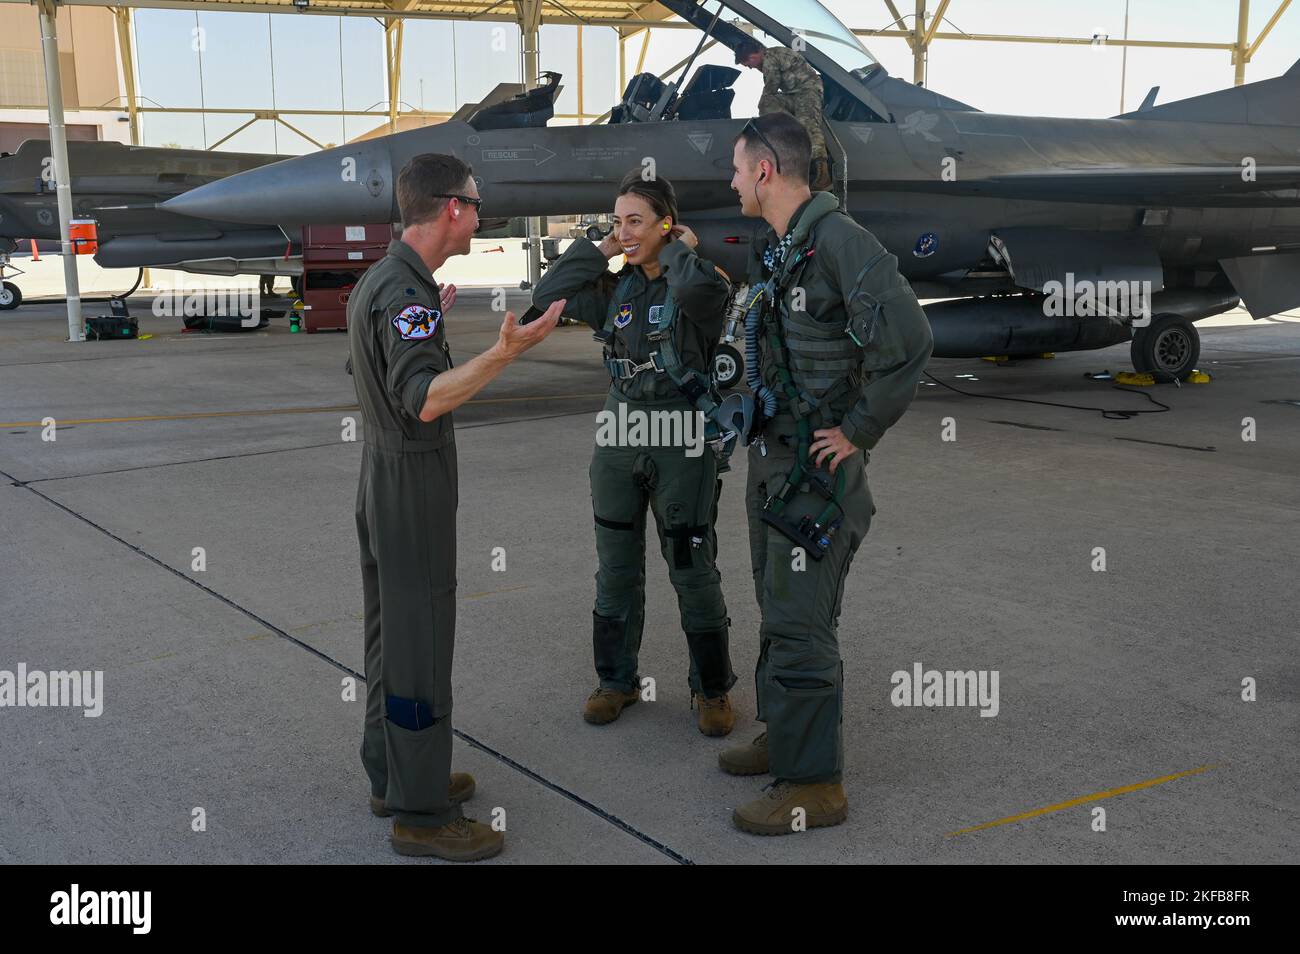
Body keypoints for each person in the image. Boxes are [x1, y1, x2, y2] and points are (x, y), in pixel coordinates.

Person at [348, 153, 565, 861]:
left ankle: (394, 772)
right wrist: (504, 354)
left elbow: (368, 367)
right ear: (449, 208)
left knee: (392, 637)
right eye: (475, 203)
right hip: (411, 484)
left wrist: (427, 332)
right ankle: (420, 812)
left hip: (381, 475)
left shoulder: (390, 283)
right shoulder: (404, 295)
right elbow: (425, 399)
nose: (480, 213)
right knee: (420, 644)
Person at [721, 113, 933, 835]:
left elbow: (909, 340)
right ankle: (786, 734)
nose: (731, 181)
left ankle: (814, 785)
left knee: (802, 623)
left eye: (736, 168)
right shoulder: (782, 248)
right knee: (777, 609)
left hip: (816, 470)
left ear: (765, 172)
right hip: (774, 459)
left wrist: (859, 431)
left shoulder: (842, 244)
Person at [531, 170, 739, 737]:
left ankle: (713, 689)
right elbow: (545, 295)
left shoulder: (699, 280)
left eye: (635, 222)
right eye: (617, 220)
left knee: (692, 569)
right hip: (619, 438)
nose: (623, 231)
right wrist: (598, 249)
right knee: (615, 570)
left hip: (682, 440)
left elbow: (704, 294)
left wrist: (677, 249)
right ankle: (616, 681)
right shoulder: (613, 289)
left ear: (666, 225)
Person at [735, 37, 832, 191]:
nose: (750, 68)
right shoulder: (771, 56)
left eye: (748, 64)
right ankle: (791, 130)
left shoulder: (770, 59)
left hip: (808, 92)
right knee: (768, 103)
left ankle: (823, 173)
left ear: (753, 57)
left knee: (808, 125)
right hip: (793, 94)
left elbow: (771, 87)